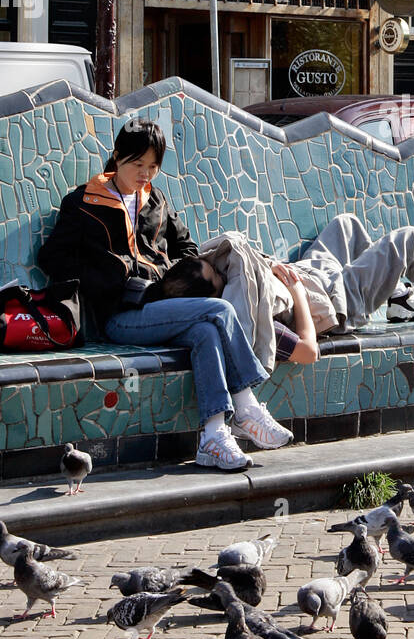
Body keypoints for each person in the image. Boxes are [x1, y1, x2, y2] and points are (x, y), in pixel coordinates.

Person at [37, 119, 293, 473]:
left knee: (205, 333)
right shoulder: (84, 202)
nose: (145, 174)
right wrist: (108, 271)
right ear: (116, 157)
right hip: (120, 316)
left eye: (153, 166)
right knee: (219, 312)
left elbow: (186, 246)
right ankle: (246, 405)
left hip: (163, 302)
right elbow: (51, 257)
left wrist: (170, 273)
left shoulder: (155, 198)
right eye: (137, 164)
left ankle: (213, 436)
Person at [156, 215, 414, 364]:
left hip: (312, 273)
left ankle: (398, 298)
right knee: (407, 240)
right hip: (338, 300)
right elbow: (308, 350)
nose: (227, 271)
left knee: (347, 224)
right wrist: (295, 293)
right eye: (220, 274)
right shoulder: (251, 317)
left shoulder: (235, 282)